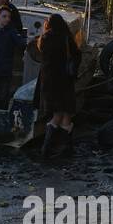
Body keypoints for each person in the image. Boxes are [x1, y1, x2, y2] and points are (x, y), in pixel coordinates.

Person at [35, 14, 80, 158]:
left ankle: (55, 147)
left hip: (48, 81)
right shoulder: (66, 39)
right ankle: (53, 148)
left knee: (59, 113)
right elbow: (77, 55)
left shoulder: (44, 39)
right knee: (64, 113)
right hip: (64, 81)